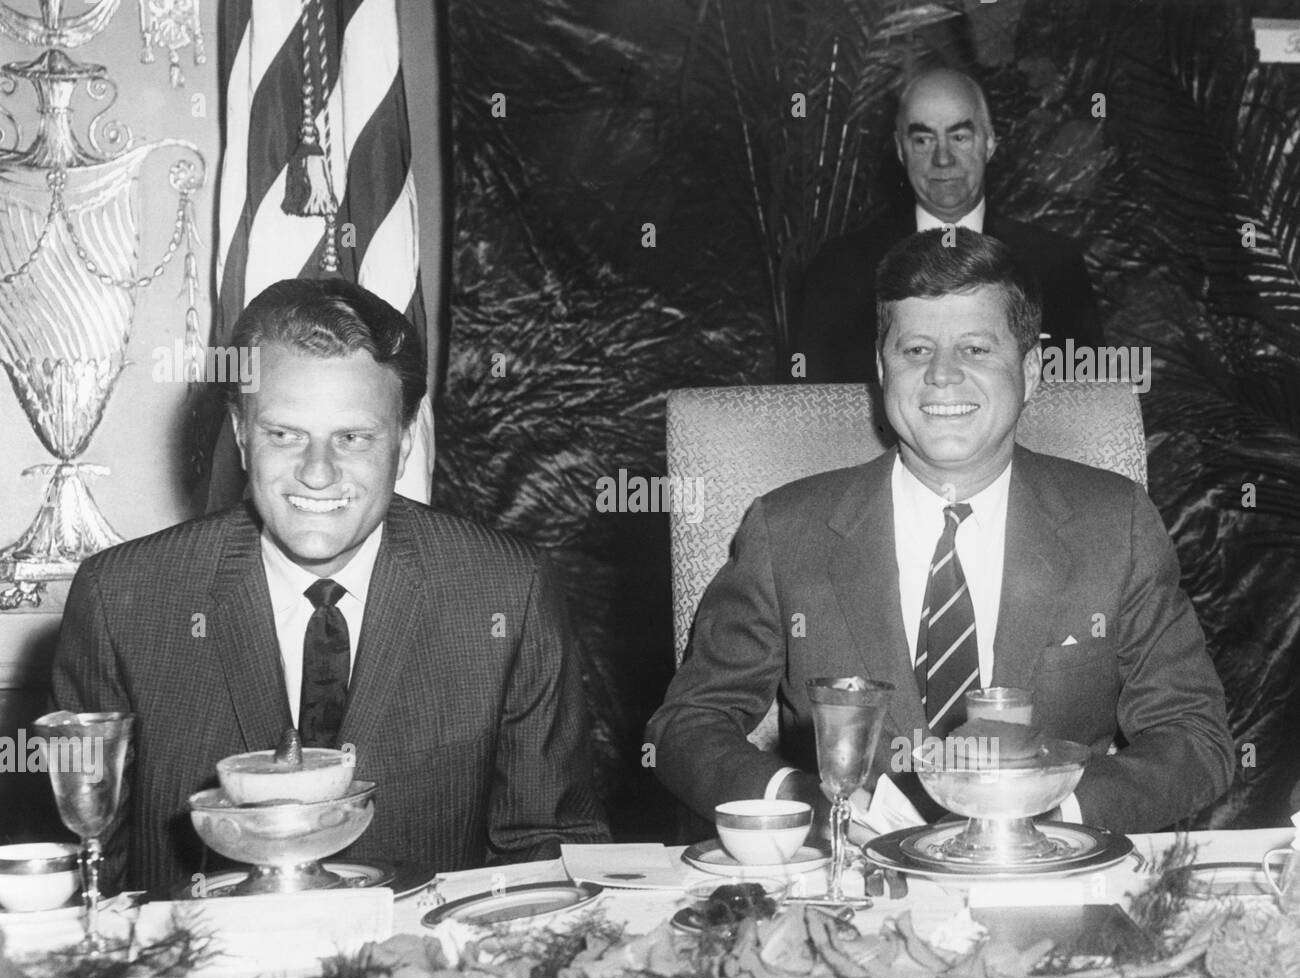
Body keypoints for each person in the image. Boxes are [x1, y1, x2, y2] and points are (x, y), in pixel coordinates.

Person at [649, 228, 1233, 836]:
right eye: (916, 350)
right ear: (881, 370)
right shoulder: (787, 529)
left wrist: (1052, 817)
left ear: (1031, 372)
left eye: (976, 349)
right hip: (853, 893)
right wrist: (809, 806)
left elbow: (1195, 738)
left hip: (1043, 884)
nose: (943, 376)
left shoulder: (1117, 525)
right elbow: (684, 727)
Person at [52, 278, 608, 893]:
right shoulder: (123, 599)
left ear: (404, 439)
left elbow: (548, 852)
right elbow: (88, 869)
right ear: (240, 431)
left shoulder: (506, 591)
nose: (318, 473)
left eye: (352, 437)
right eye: (285, 434)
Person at [787, 68, 1103, 384]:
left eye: (960, 137)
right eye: (923, 140)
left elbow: (1086, 402)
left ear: (990, 142)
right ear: (900, 149)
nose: (942, 158)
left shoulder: (1056, 264)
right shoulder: (839, 269)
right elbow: (810, 409)